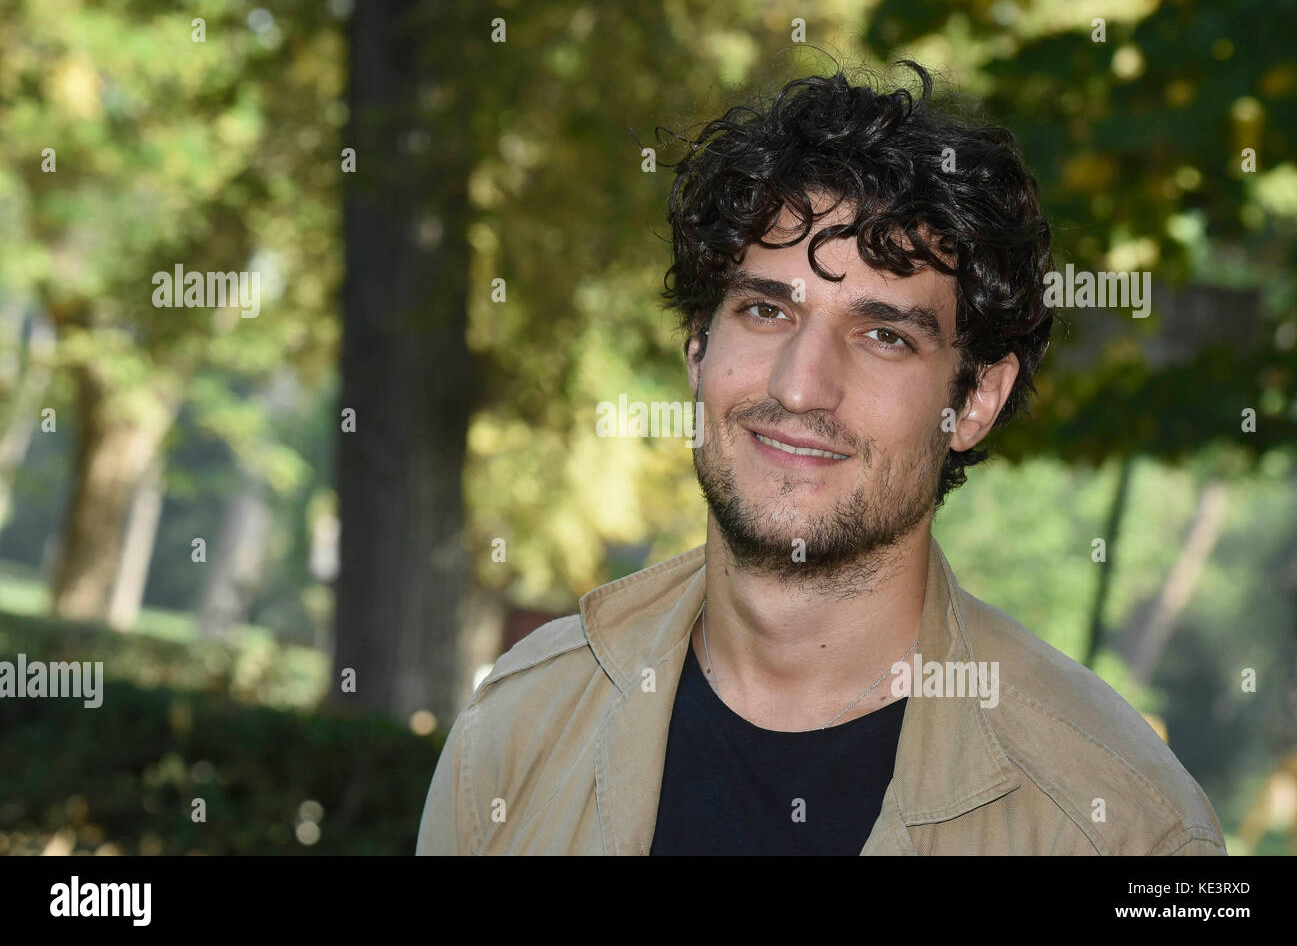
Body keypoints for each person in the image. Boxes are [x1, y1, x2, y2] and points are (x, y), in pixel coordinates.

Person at [416, 61, 1227, 855]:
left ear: (974, 400)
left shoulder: (1123, 827)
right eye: (767, 309)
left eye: (884, 336)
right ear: (699, 351)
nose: (802, 388)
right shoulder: (518, 729)